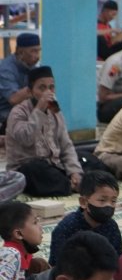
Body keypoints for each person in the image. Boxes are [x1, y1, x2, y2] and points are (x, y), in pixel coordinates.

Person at [4, 66, 84, 196]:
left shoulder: (55, 112)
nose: (48, 92)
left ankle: (73, 181)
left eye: (51, 87)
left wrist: (74, 172)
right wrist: (39, 110)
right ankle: (70, 185)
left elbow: (66, 146)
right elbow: (26, 138)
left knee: (86, 158)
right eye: (42, 88)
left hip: (53, 165)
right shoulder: (18, 112)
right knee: (35, 169)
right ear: (30, 92)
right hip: (27, 169)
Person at [48, 172, 122, 267]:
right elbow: (57, 265)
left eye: (113, 201)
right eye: (102, 200)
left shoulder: (111, 226)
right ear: (83, 202)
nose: (109, 205)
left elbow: (118, 259)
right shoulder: (67, 227)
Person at [0, 200, 45, 280]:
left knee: (39, 264)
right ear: (19, 234)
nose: (41, 227)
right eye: (35, 222)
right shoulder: (11, 254)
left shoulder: (23, 251)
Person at [0, 32, 40, 131]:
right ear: (20, 52)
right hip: (5, 120)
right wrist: (36, 86)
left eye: (38, 51)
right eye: (33, 51)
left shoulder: (31, 66)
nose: (37, 56)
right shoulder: (6, 69)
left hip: (24, 117)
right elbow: (14, 99)